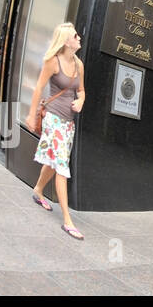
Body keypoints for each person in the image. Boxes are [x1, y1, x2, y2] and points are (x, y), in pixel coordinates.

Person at [27, 22, 86, 240]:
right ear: (66, 42)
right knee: (61, 166)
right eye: (75, 35)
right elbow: (38, 88)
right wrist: (31, 115)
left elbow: (81, 91)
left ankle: (38, 190)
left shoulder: (79, 65)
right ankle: (68, 221)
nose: (79, 38)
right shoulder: (52, 62)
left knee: (53, 162)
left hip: (68, 123)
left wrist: (80, 101)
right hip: (52, 119)